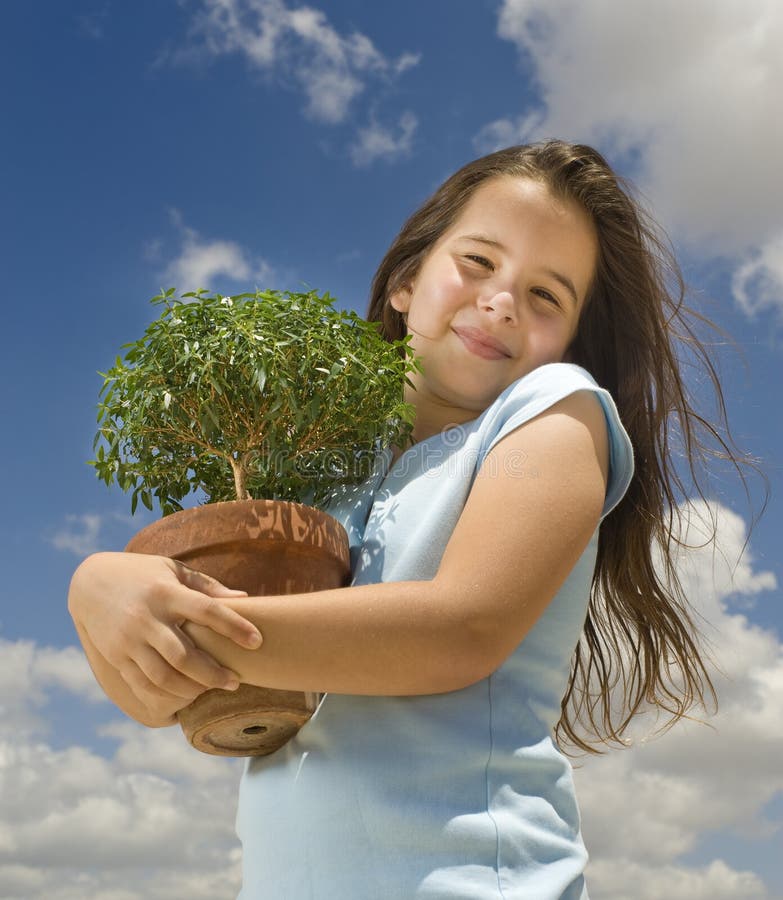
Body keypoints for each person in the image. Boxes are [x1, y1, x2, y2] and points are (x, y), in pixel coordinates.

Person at [68, 141, 745, 899]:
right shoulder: (322, 471)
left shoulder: (555, 410)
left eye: (546, 295)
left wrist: (180, 619)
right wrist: (100, 594)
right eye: (478, 262)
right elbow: (160, 696)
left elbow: (461, 628)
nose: (501, 301)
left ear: (570, 338)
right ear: (404, 281)